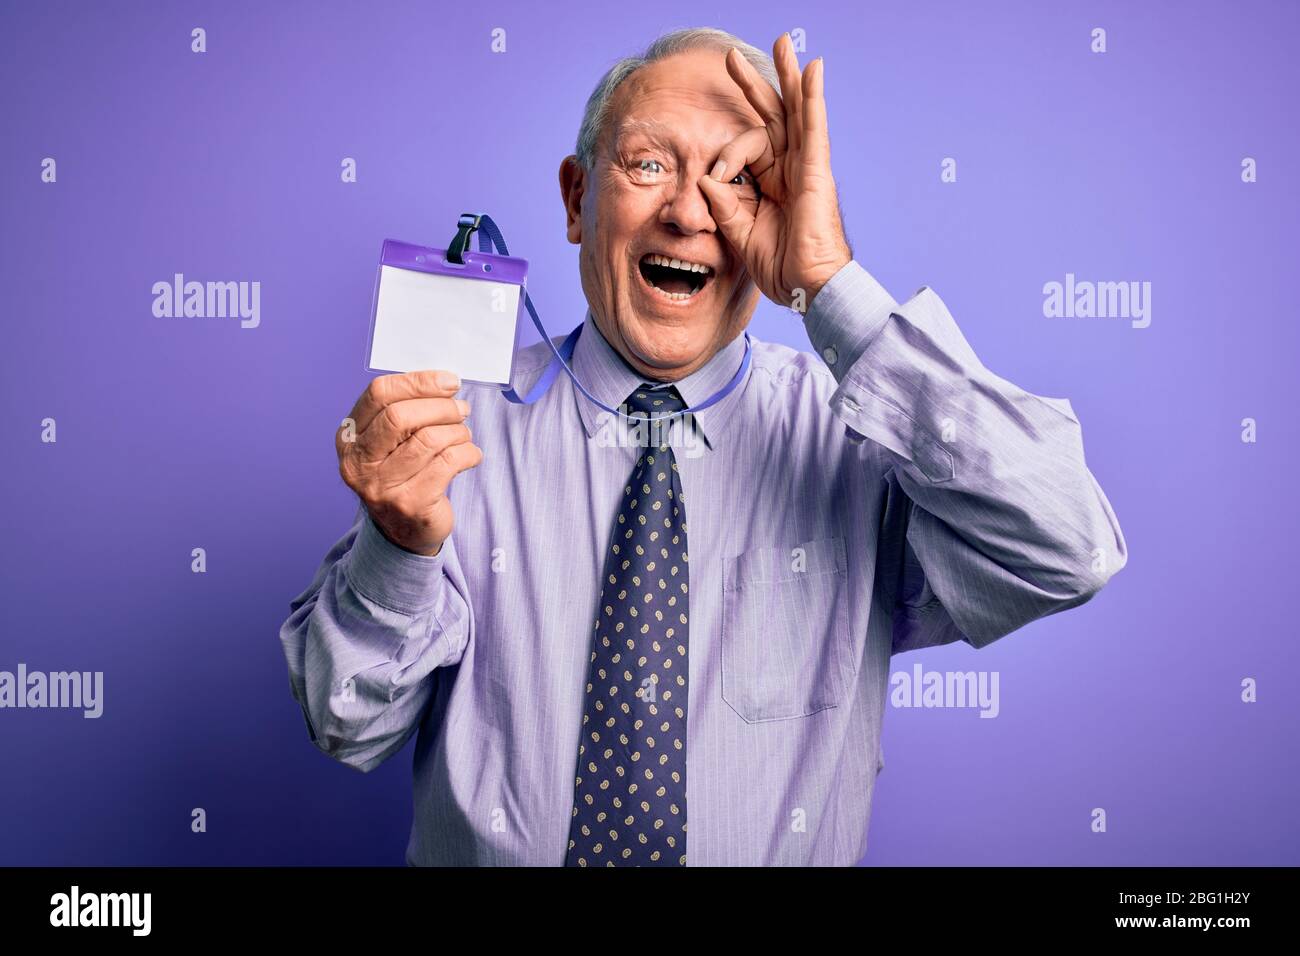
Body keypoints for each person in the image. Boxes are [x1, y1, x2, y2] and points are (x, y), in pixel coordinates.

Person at [279, 28, 1128, 866]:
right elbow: (347, 725)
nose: (688, 212)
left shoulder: (860, 442)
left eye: (737, 180)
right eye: (648, 165)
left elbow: (1070, 546)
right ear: (578, 201)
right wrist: (397, 546)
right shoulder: (454, 433)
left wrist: (829, 284)